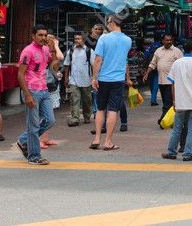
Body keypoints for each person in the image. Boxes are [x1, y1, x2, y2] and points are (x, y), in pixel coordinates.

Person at [16, 26, 63, 165]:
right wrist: (27, 95)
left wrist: (53, 47)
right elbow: (20, 74)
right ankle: (34, 156)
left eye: (45, 35)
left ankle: (24, 140)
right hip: (32, 91)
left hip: (44, 90)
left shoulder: (45, 49)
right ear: (33, 36)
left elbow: (54, 66)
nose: (43, 38)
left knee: (50, 120)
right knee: (34, 125)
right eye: (40, 35)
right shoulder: (27, 51)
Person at [162, 38, 192, 162]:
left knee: (177, 128)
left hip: (181, 102)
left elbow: (172, 84)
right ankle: (187, 154)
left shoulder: (177, 63)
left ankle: (171, 152)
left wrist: (174, 101)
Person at [91, 14, 133, 151]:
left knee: (100, 109)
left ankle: (97, 138)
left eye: (108, 21)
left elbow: (98, 60)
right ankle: (108, 141)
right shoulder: (128, 40)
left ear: (113, 23)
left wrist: (94, 77)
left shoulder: (103, 38)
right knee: (113, 109)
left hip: (103, 78)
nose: (107, 24)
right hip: (118, 79)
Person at [144, 34, 183, 126]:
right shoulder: (158, 50)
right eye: (167, 40)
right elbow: (153, 63)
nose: (169, 41)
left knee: (168, 103)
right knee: (166, 102)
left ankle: (162, 120)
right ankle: (171, 121)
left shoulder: (177, 51)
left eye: (170, 40)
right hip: (161, 82)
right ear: (163, 41)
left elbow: (182, 65)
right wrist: (147, 73)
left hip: (172, 82)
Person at [64, 31, 95, 127]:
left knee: (87, 100)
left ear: (84, 40)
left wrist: (94, 78)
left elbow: (94, 66)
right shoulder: (71, 51)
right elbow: (66, 65)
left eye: (78, 39)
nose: (76, 41)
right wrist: (66, 78)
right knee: (74, 99)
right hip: (73, 80)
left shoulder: (89, 51)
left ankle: (87, 116)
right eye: (75, 39)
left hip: (86, 80)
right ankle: (75, 118)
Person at [142, 40, 161, 105]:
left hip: (149, 68)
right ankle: (153, 100)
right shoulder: (160, 47)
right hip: (158, 68)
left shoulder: (149, 48)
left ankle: (153, 99)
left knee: (151, 84)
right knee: (156, 84)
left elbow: (144, 57)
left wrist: (144, 69)